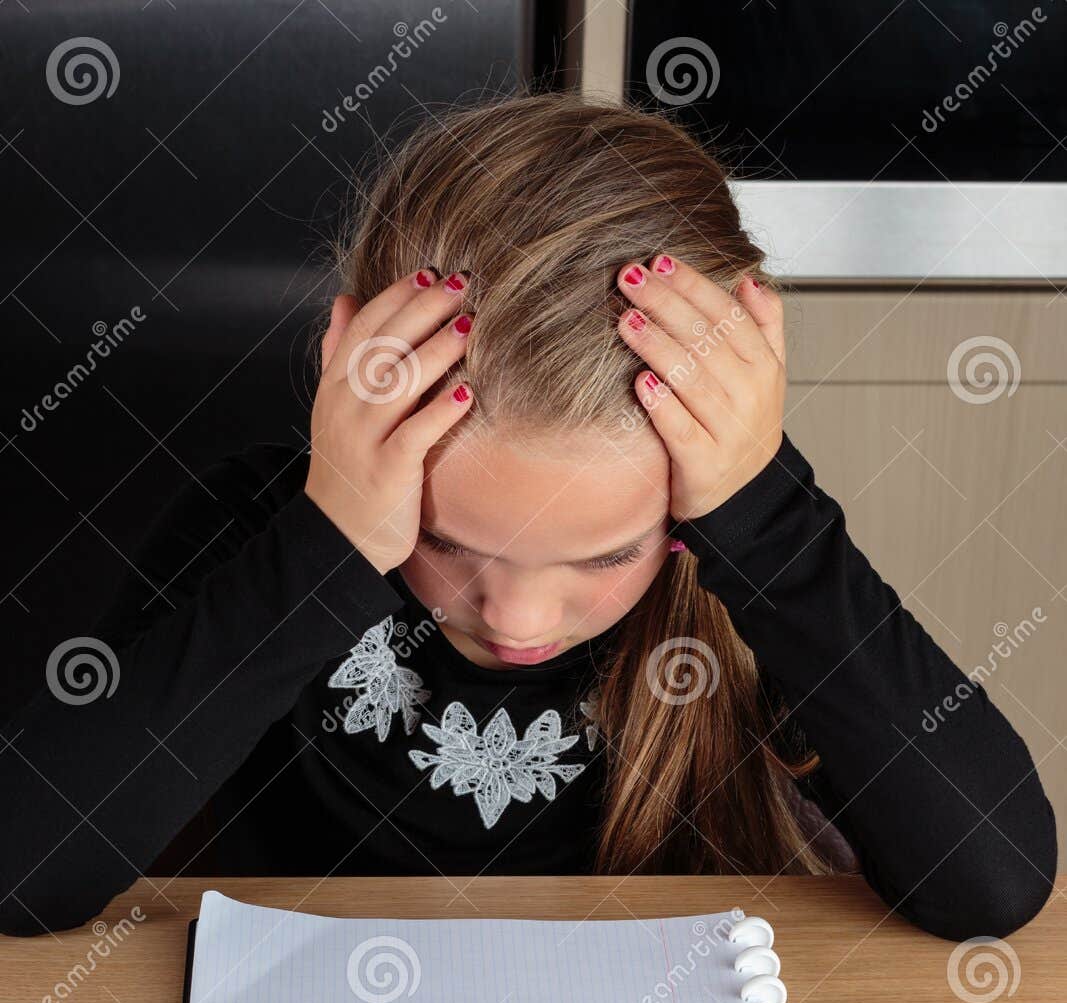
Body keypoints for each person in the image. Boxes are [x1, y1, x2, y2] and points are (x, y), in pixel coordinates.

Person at [0, 93, 1055, 940]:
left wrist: (767, 516)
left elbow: (990, 883)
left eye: (607, 553)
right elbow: (23, 875)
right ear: (349, 371)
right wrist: (330, 542)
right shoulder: (263, 530)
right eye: (446, 543)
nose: (516, 621)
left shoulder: (747, 551)